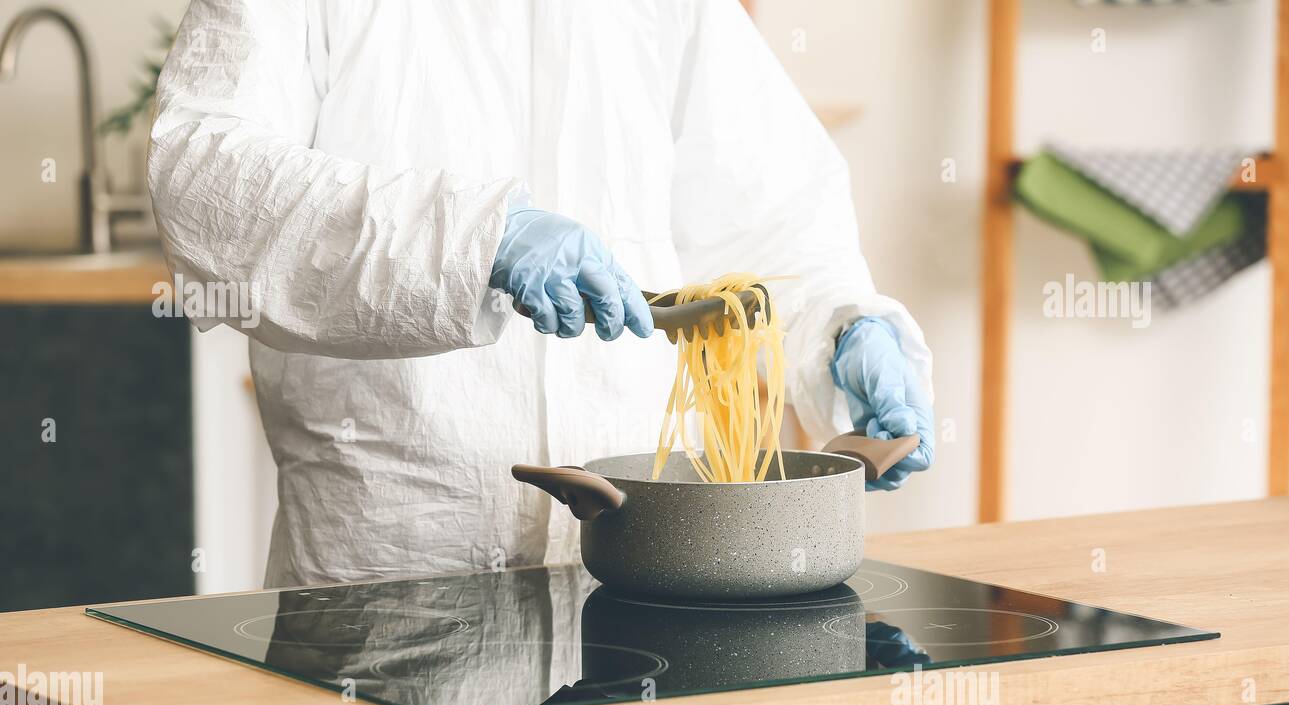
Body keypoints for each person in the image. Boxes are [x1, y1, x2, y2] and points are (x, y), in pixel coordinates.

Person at [148, 0, 935, 589]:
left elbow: (770, 213)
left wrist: (841, 326)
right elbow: (204, 179)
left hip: (642, 569)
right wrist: (474, 240)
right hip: (387, 570)